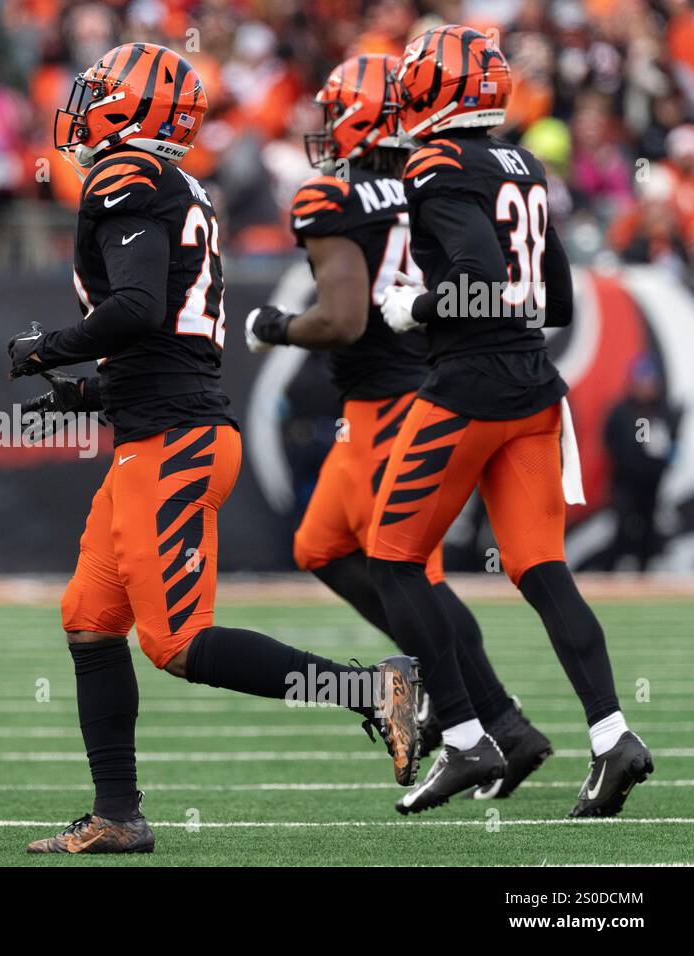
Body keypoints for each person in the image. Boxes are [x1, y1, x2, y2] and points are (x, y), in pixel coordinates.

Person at [11, 42, 420, 856]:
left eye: (101, 95)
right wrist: (90, 393)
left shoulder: (129, 178)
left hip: (176, 444)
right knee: (90, 621)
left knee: (176, 643)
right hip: (158, 432)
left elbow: (132, 308)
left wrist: (46, 348)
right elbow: (169, 339)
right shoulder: (173, 185)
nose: (85, 108)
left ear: (134, 110)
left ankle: (371, 688)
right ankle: (118, 815)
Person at [245, 54, 551, 797]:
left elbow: (345, 321)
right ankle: (459, 702)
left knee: (412, 572)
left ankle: (497, 724)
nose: (324, 127)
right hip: (398, 395)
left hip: (393, 406)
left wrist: (276, 325)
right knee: (320, 545)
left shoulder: (337, 196)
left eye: (335, 111)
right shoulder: (432, 178)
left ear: (361, 117)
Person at [370, 25, 651, 817]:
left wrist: (412, 307)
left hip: (470, 389)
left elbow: (478, 279)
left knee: (392, 559)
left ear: (438, 93)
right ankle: (611, 738)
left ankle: (465, 738)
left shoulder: (436, 163)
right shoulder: (522, 161)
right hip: (532, 384)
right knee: (539, 567)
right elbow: (555, 299)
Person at [596, 355, 679, 571]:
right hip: (625, 485)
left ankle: (644, 576)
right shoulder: (621, 412)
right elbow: (610, 442)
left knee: (649, 535)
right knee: (621, 531)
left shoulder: (664, 413)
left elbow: (672, 445)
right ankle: (610, 575)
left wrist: (662, 463)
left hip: (652, 487)